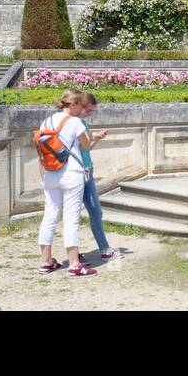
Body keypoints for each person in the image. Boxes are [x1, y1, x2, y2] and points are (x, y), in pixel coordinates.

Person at [36, 89, 98, 279]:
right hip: (71, 174)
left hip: (50, 173)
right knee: (71, 218)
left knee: (49, 217)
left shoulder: (46, 122)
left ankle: (46, 261)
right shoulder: (74, 122)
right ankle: (74, 264)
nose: (82, 109)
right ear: (72, 105)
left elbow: (40, 150)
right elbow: (86, 146)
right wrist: (93, 137)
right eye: (80, 105)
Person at [76, 92, 116, 262]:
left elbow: (85, 149)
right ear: (82, 107)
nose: (90, 114)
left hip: (87, 170)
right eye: (90, 110)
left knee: (95, 210)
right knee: (73, 214)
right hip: (76, 172)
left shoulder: (83, 123)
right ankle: (74, 252)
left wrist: (96, 139)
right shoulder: (74, 123)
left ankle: (104, 247)